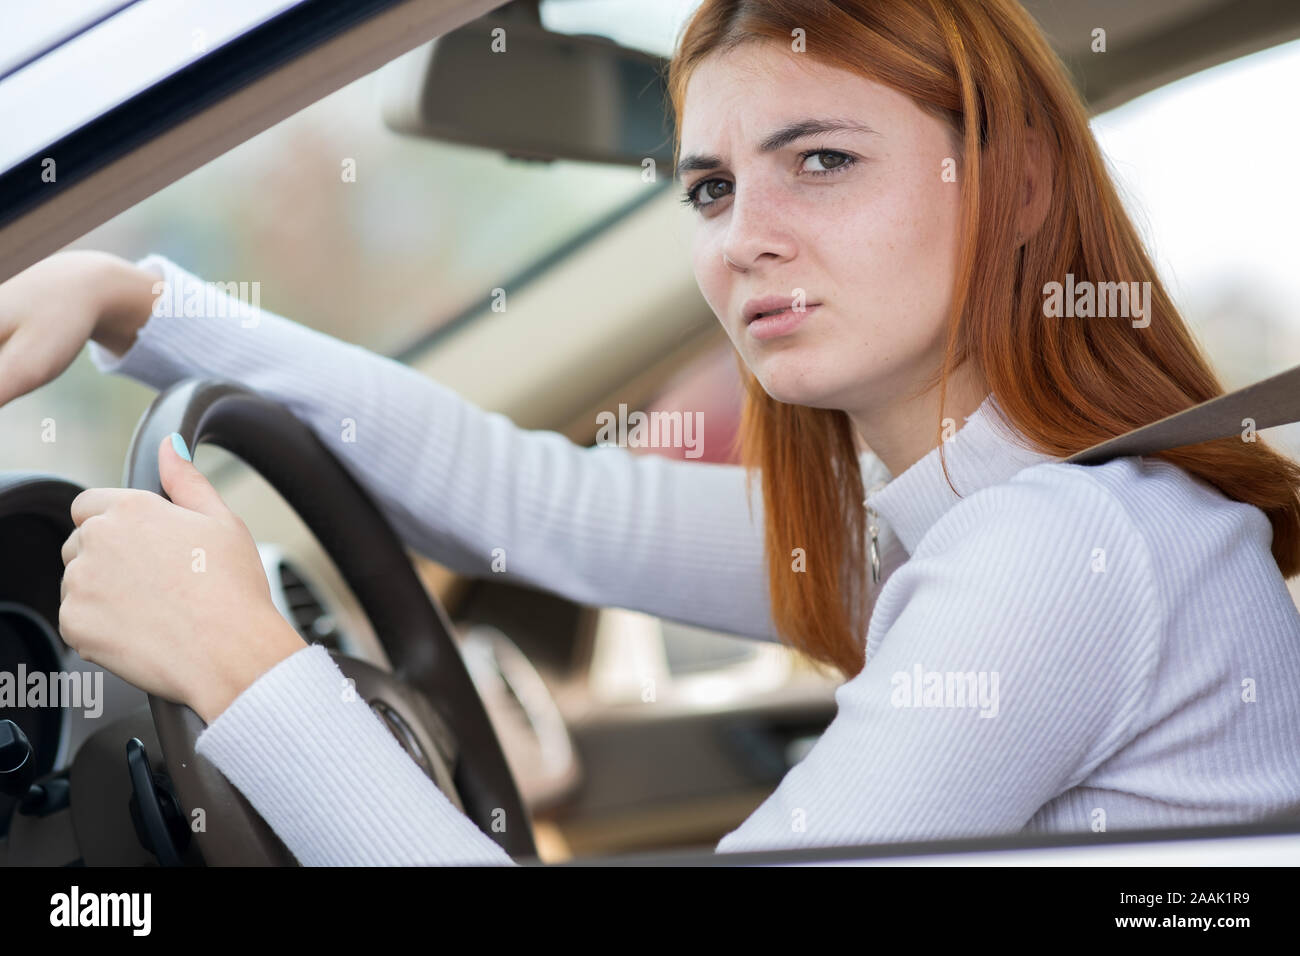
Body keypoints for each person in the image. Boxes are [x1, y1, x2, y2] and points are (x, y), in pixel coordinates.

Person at [2, 0, 1299, 866]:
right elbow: (530, 499)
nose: (744, 237)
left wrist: (240, 665)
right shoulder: (975, 518)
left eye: (823, 161)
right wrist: (135, 298)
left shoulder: (1056, 553)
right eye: (713, 187)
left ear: (1015, 187)